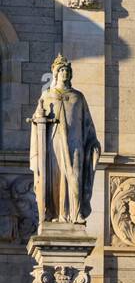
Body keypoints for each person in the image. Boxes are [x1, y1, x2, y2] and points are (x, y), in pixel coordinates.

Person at [30, 54, 100, 225]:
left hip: (75, 145)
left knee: (75, 177)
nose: (64, 73)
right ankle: (54, 213)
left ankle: (75, 214)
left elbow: (88, 124)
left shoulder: (78, 97)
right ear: (55, 73)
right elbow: (37, 123)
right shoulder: (47, 96)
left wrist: (93, 143)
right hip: (53, 144)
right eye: (61, 70)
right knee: (55, 179)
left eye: (67, 70)